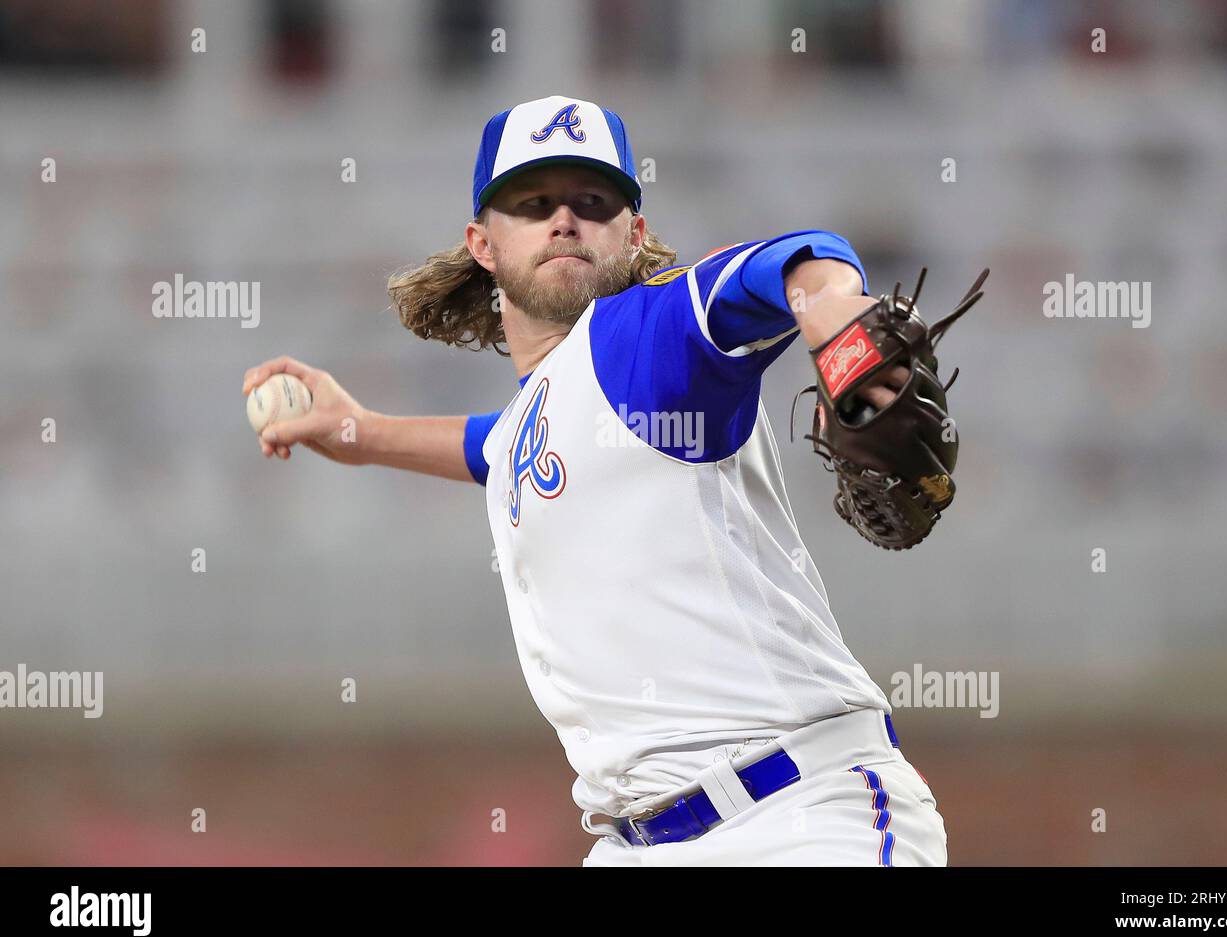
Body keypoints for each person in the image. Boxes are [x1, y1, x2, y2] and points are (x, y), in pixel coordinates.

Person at [243, 95, 947, 866]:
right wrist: (360, 432)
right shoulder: (531, 423)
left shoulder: (651, 334)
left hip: (798, 820)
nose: (565, 219)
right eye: (533, 202)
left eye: (593, 200)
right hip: (637, 843)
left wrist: (838, 325)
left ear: (634, 235)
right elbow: (492, 448)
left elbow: (800, 257)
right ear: (482, 242)